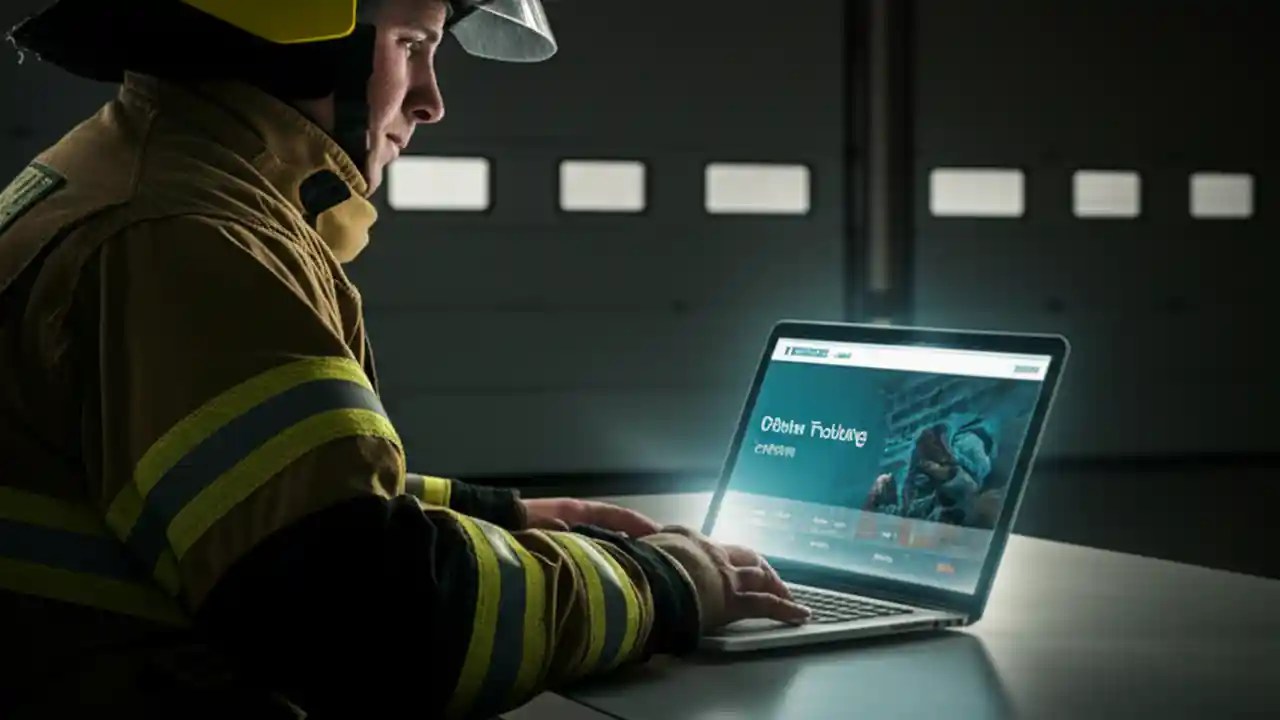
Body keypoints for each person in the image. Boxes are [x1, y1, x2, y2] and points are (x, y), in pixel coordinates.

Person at [0, 1, 809, 716]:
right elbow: (371, 625)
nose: (430, 100)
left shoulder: (137, 179)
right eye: (413, 44)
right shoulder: (192, 238)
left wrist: (497, 515)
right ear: (291, 32)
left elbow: (206, 495)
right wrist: (664, 584)